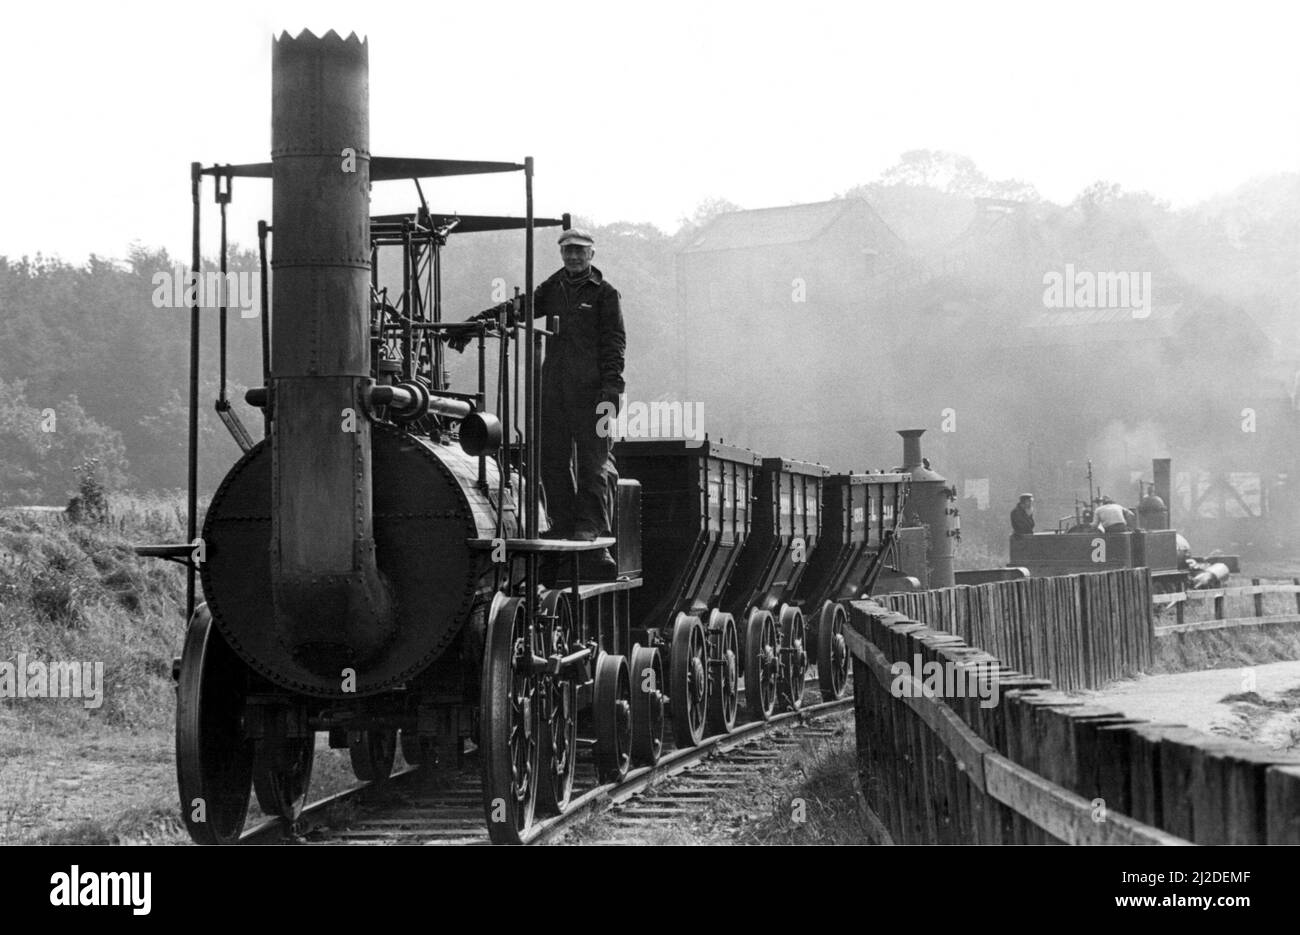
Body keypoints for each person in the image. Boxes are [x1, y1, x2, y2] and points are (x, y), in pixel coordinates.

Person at [449, 228, 625, 577]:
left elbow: (615, 344)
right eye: (568, 251)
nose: (573, 257)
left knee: (595, 463)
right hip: (554, 389)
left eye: (579, 251)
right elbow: (519, 307)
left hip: (593, 392)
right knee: (551, 460)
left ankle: (591, 529)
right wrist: (474, 324)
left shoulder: (605, 294)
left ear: (591, 254)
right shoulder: (554, 288)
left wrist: (612, 389)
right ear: (561, 254)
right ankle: (563, 522)